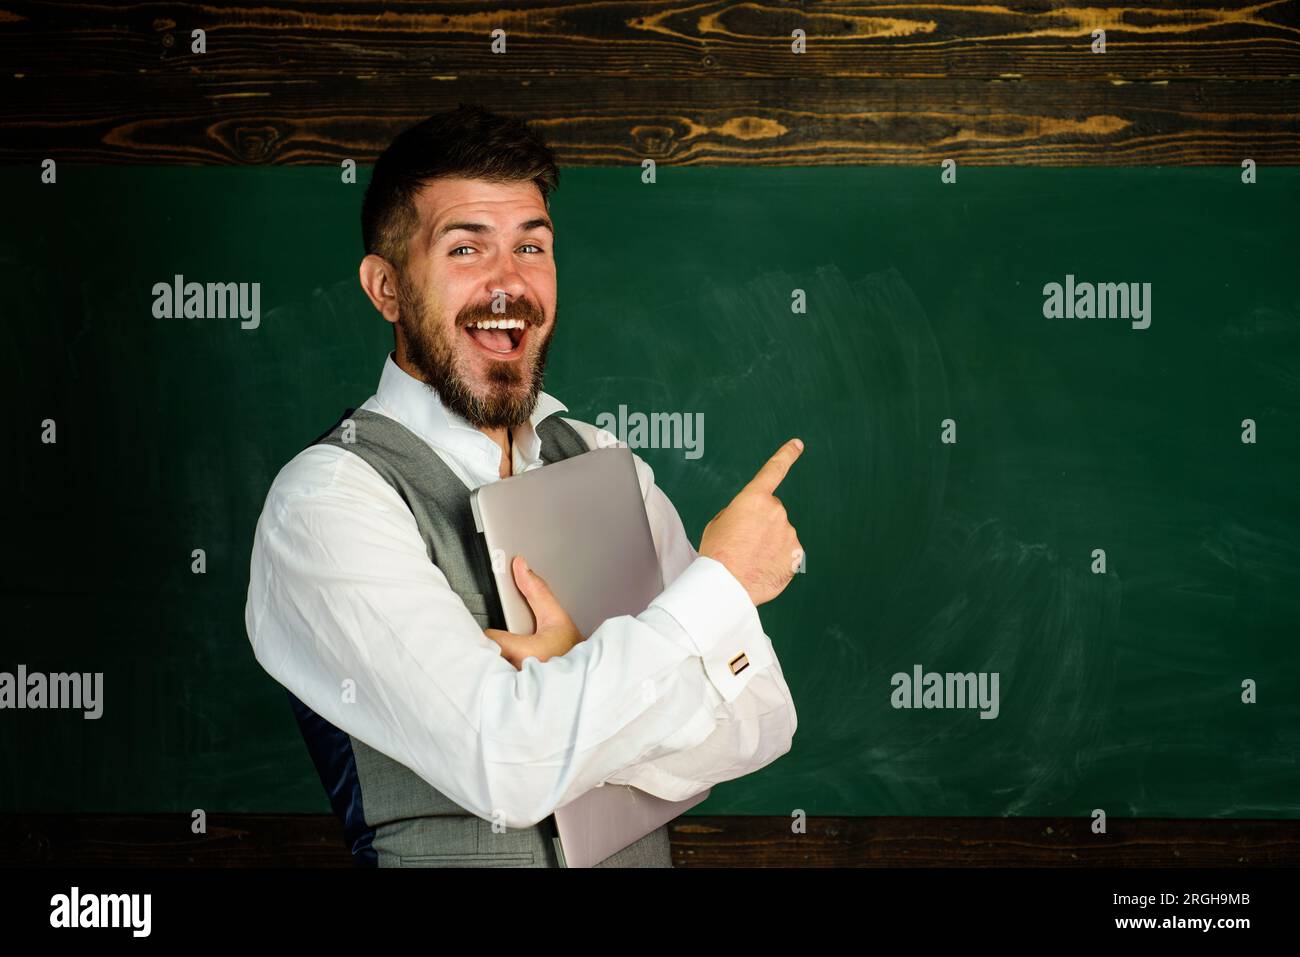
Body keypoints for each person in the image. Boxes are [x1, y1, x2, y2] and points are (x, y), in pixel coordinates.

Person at [244, 104, 803, 867]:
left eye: (531, 246)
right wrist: (717, 590)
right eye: (466, 247)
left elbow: (759, 726)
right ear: (386, 289)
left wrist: (576, 673)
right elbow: (505, 765)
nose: (508, 282)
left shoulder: (602, 457)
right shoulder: (327, 501)